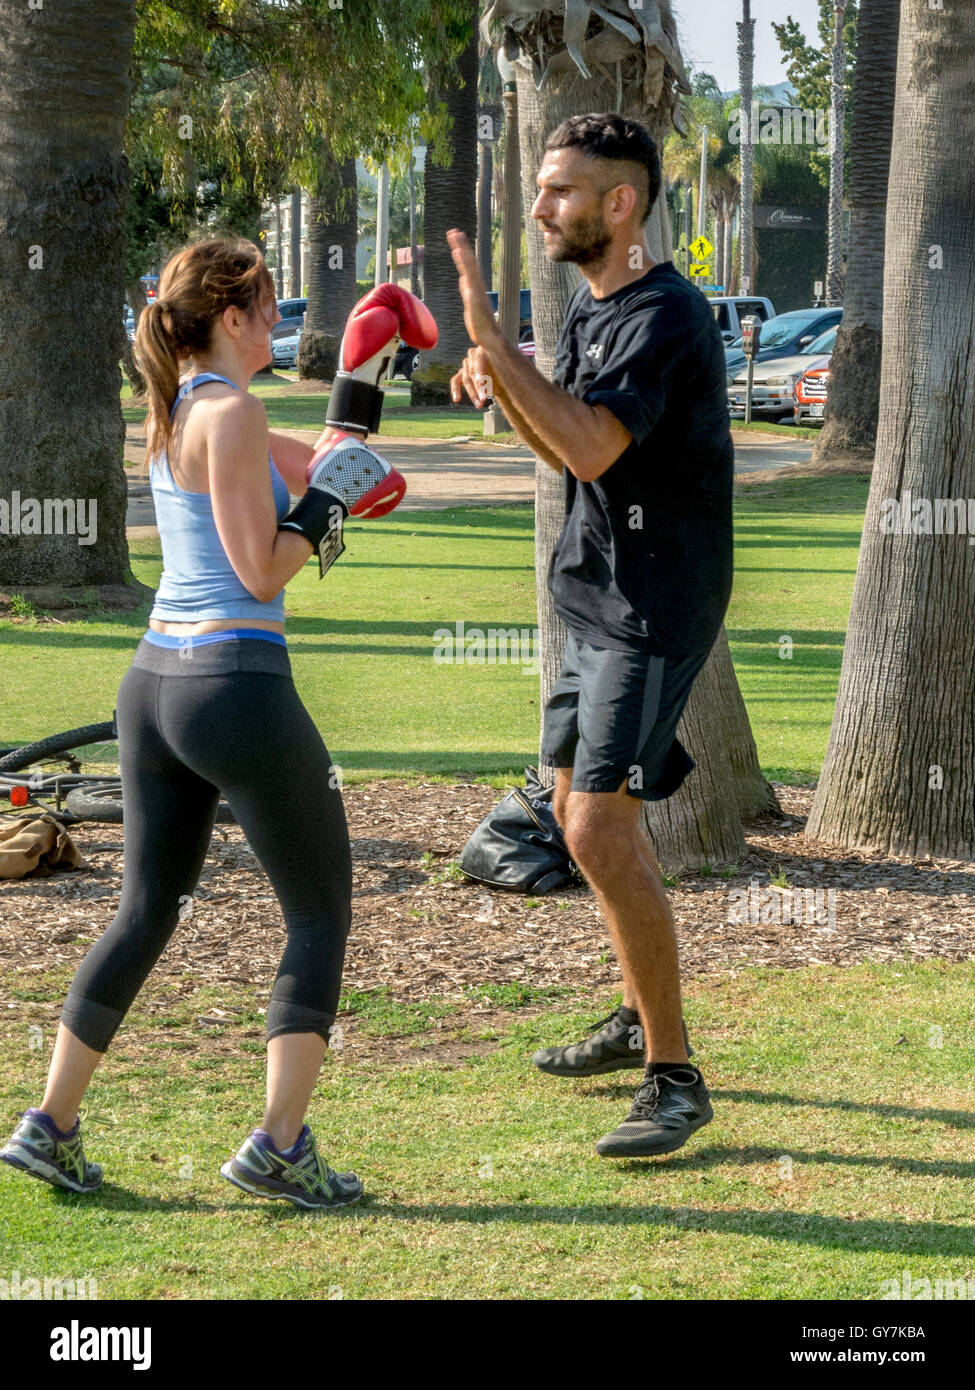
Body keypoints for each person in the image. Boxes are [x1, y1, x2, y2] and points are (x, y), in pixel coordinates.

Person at [0, 238, 403, 1209]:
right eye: (268, 307)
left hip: (155, 686)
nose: (279, 320)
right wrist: (320, 507)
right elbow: (265, 565)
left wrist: (358, 409)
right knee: (319, 911)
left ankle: (48, 1125)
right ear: (230, 315)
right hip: (234, 683)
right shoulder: (235, 410)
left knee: (147, 908)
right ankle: (279, 1143)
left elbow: (355, 476)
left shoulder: (182, 407)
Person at [448, 112, 734, 1158]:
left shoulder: (666, 314)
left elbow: (597, 444)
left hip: (654, 600)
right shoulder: (590, 305)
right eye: (538, 186)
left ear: (622, 204)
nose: (539, 206)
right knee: (580, 812)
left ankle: (675, 1077)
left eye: (560, 190)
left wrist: (492, 345)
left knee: (595, 829)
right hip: (595, 593)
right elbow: (562, 451)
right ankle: (633, 1017)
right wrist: (500, 379)